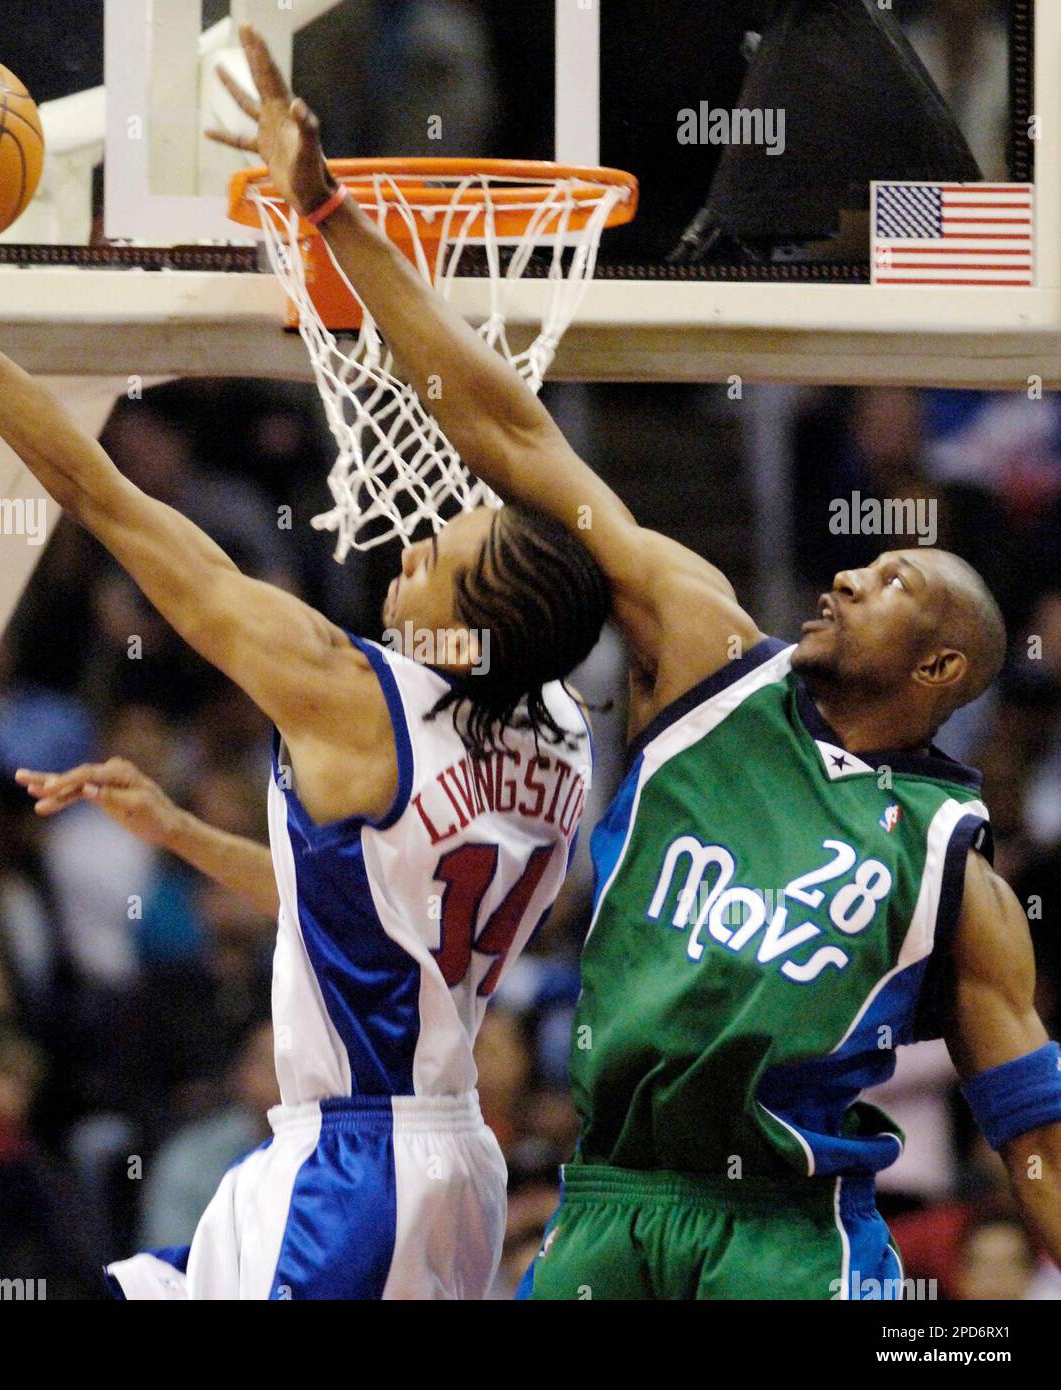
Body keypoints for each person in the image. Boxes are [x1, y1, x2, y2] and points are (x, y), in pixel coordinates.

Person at [204, 26, 1061, 1299]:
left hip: (786, 1233)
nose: (843, 573)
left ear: (941, 671)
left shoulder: (949, 867)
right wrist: (326, 210)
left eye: (890, 583)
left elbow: (1032, 1143)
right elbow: (510, 427)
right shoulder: (709, 646)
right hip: (610, 1203)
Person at [0, 139, 609, 1300]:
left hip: (356, 1171)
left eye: (449, 548)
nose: (415, 536)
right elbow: (377, 918)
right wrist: (188, 837)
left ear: (479, 627)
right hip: (420, 1162)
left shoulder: (346, 694)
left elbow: (103, 497)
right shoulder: (557, 732)